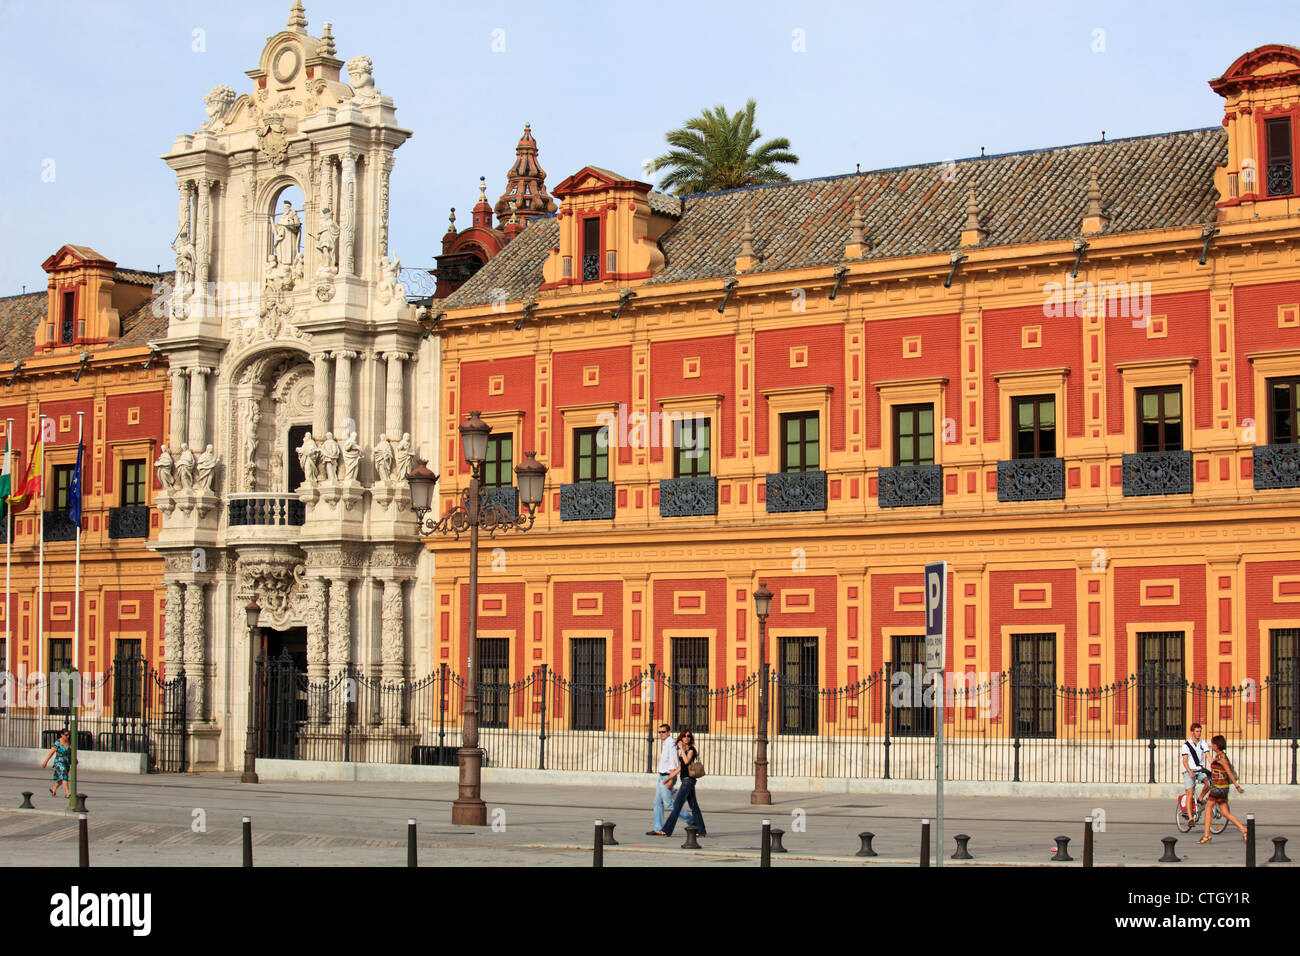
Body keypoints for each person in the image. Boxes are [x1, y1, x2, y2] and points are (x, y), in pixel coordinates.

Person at [656, 729, 706, 838]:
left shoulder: (691, 749)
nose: (686, 738)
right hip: (685, 780)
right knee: (694, 806)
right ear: (681, 738)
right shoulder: (682, 751)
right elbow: (679, 768)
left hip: (688, 781)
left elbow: (687, 761)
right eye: (684, 736)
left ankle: (666, 830)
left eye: (688, 736)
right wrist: (668, 778)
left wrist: (682, 749)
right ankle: (701, 830)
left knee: (677, 805)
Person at [1198, 734, 1247, 845]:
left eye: (1213, 744)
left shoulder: (1222, 758)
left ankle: (1206, 835)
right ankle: (1243, 830)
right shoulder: (1219, 757)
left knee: (1208, 808)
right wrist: (1206, 752)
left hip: (1218, 788)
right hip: (1223, 788)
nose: (1212, 746)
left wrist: (1237, 786)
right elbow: (1212, 762)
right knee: (1225, 812)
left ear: (1217, 745)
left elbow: (1229, 772)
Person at [647, 722, 693, 836]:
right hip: (661, 776)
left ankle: (691, 820)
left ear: (668, 732)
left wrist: (671, 780)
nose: (661, 734)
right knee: (657, 802)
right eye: (659, 732)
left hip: (667, 776)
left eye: (663, 732)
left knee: (669, 804)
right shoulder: (666, 743)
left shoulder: (671, 743)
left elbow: (674, 762)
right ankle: (658, 828)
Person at [1180, 722, 1211, 820]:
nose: (1199, 733)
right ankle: (1190, 818)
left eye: (1200, 731)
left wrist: (1215, 764)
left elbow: (1208, 756)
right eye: (1197, 731)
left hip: (1199, 769)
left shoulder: (1203, 743)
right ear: (1192, 732)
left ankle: (1200, 799)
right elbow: (1185, 761)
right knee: (1190, 792)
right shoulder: (1186, 745)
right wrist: (1189, 771)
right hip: (1189, 770)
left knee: (1208, 784)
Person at [41, 729, 71, 799]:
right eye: (66, 735)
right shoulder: (57, 743)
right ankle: (67, 793)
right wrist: (45, 762)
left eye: (69, 735)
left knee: (61, 778)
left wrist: (75, 759)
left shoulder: (69, 742)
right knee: (64, 776)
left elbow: (70, 752)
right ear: (62, 735)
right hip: (59, 762)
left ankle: (53, 789)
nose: (68, 736)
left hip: (66, 762)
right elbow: (51, 753)